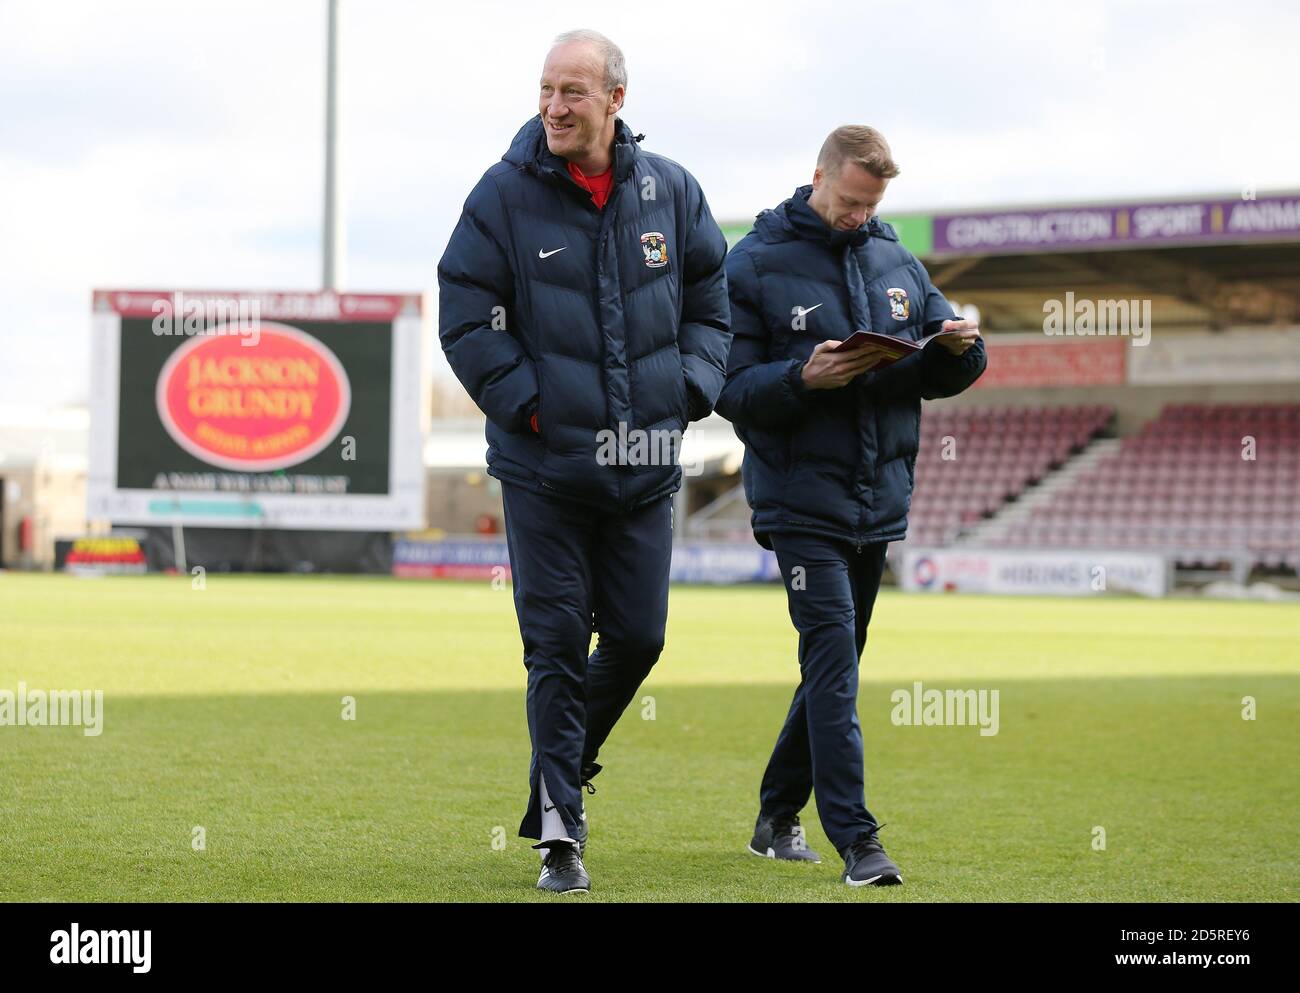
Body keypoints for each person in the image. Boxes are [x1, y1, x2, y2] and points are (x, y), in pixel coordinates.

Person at [437, 29, 730, 894]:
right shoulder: (500, 195)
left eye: (573, 92)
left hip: (644, 466)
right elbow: (464, 312)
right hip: (545, 470)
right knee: (557, 642)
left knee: (639, 637)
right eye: (546, 90)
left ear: (616, 99)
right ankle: (561, 832)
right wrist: (530, 402)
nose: (555, 107)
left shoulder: (672, 191)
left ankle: (552, 775)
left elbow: (712, 298)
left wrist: (691, 383)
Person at [715, 125, 986, 886]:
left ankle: (773, 819)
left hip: (878, 498)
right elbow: (727, 390)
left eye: (871, 204)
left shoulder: (896, 258)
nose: (858, 216)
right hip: (801, 500)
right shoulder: (754, 264)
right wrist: (804, 379)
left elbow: (939, 366)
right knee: (835, 662)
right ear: (818, 176)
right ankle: (859, 841)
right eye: (849, 200)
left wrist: (961, 351)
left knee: (833, 664)